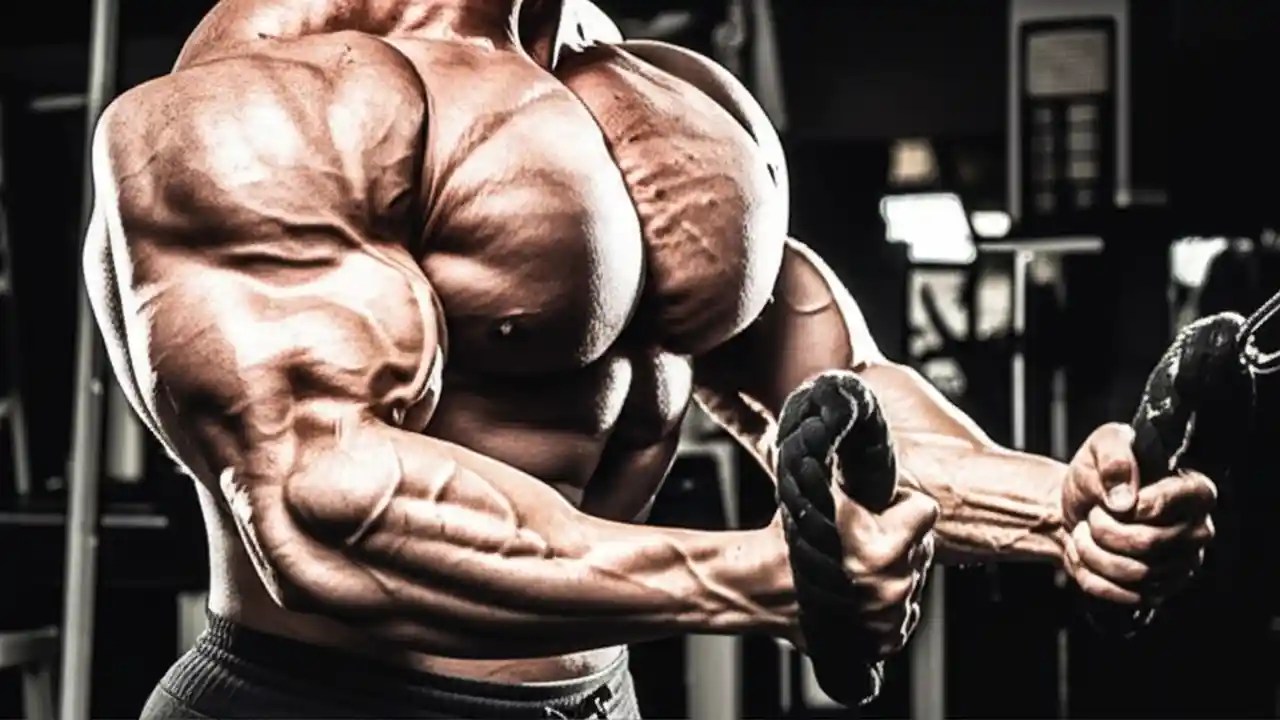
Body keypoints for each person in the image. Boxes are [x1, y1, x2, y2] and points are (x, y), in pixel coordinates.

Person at [83, 0, 1218, 717]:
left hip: (598, 698)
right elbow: (323, 507)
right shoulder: (264, 97)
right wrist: (753, 580)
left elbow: (829, 393)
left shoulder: (657, 95)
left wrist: (1055, 510)